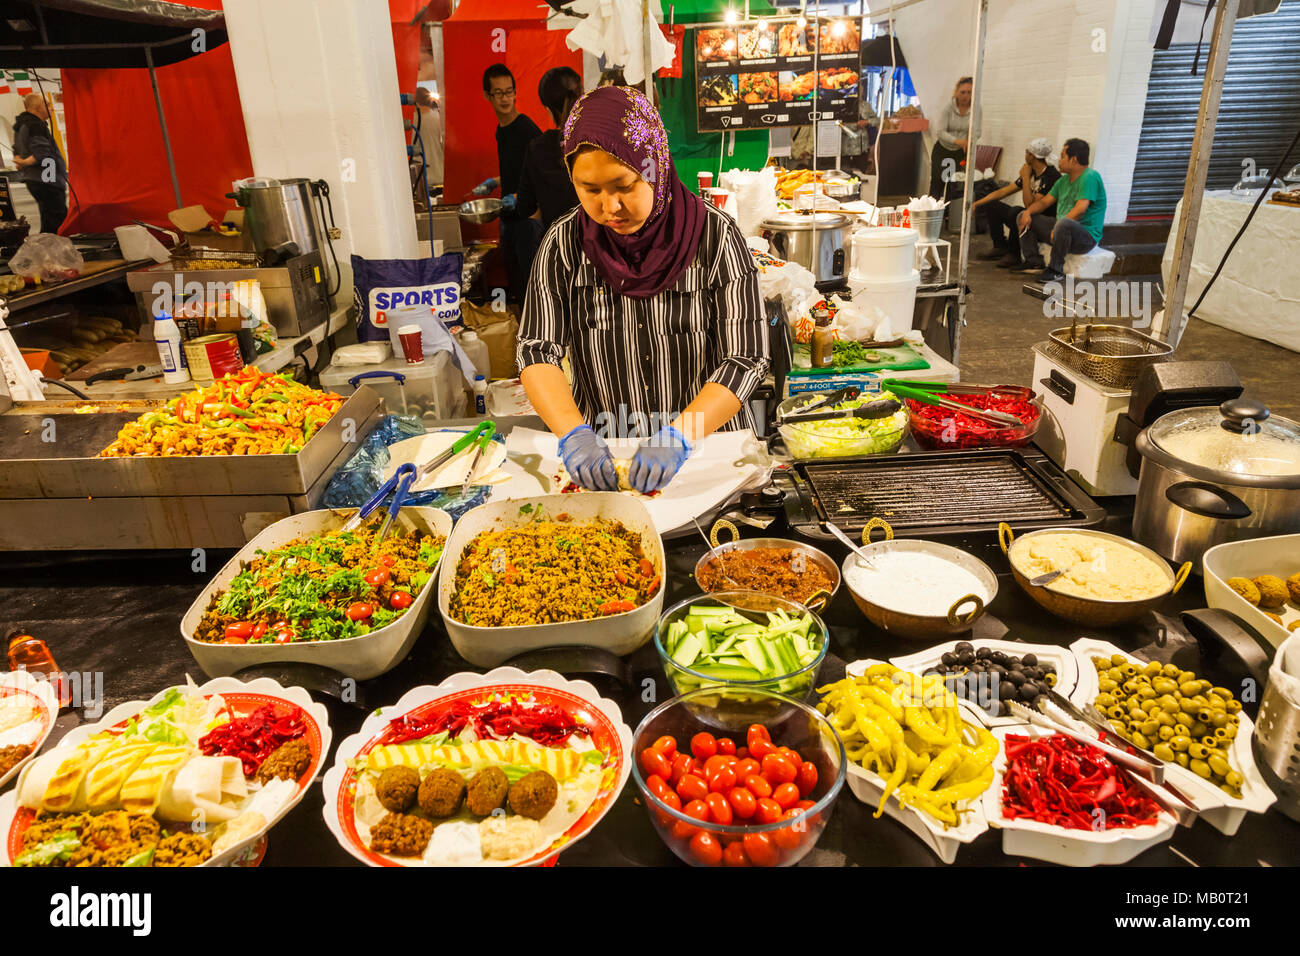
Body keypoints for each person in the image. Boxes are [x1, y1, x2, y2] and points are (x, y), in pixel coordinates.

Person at [517, 86, 770, 494]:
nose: (610, 207)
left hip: (707, 454)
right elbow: (536, 349)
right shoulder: (564, 244)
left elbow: (745, 357)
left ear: (654, 166)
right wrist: (573, 435)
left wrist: (679, 436)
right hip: (605, 454)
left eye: (624, 185)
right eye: (590, 190)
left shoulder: (715, 237)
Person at [471, 64, 544, 304]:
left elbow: (541, 173)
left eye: (509, 91)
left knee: (532, 288)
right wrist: (494, 182)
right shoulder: (501, 131)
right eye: (499, 93)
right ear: (487, 95)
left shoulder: (526, 129)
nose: (505, 98)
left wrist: (519, 196)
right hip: (509, 219)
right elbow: (518, 170)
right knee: (517, 286)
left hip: (527, 220)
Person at [1015, 137, 1107, 282]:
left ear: (1074, 160)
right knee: (1022, 215)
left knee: (1064, 224)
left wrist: (1058, 226)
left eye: (1063, 156)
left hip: (1085, 238)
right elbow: (1044, 202)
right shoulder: (1063, 180)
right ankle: (1034, 261)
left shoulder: (1090, 177)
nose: (1059, 160)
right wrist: (1028, 212)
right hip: (1062, 232)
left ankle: (1055, 270)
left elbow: (1080, 209)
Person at [970, 138, 1061, 268]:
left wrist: (1025, 178)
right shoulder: (1031, 171)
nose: (1025, 154)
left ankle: (1014, 255)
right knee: (993, 205)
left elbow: (1030, 206)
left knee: (1017, 212)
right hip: (1028, 217)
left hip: (1041, 221)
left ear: (1033, 156)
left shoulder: (1050, 176)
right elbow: (1003, 192)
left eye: (1027, 152)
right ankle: (1000, 247)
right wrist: (976, 203)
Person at [516, 67, 582, 231]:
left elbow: (525, 207)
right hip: (602, 246)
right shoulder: (599, 139)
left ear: (548, 110)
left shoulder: (538, 149)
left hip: (560, 247)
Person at [11, 93, 67, 234]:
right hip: (47, 179)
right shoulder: (36, 125)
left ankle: (46, 251)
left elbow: (16, 149)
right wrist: (24, 162)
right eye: (47, 104)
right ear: (38, 107)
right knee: (57, 219)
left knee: (49, 218)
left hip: (35, 180)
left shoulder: (20, 124)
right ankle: (52, 253)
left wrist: (20, 160)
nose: (51, 108)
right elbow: (42, 154)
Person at [928, 77, 971, 200]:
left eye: (969, 93)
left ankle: (949, 217)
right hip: (942, 150)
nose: (965, 96)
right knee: (937, 184)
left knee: (954, 186)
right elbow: (940, 131)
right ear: (956, 92)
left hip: (958, 153)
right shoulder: (948, 108)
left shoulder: (975, 109)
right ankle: (932, 215)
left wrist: (968, 142)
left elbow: (976, 131)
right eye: (963, 92)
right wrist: (959, 141)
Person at [414, 87, 444, 188]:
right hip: (442, 176)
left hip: (424, 180)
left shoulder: (412, 122)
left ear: (415, 102)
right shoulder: (439, 118)